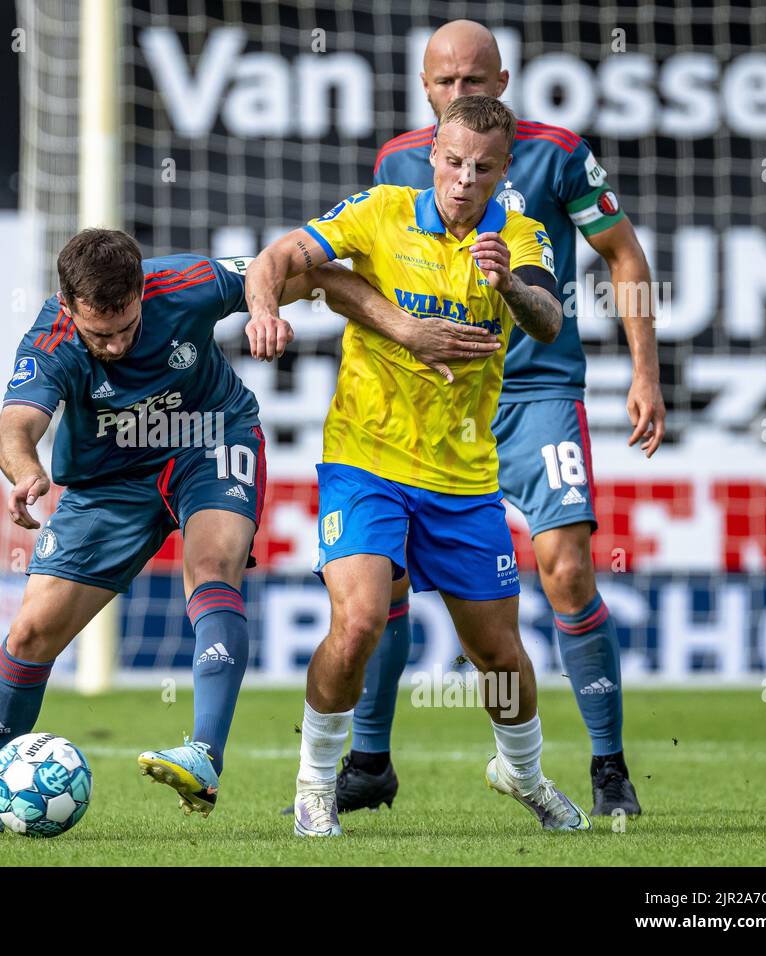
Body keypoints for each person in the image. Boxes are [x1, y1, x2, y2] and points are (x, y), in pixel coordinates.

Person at [0, 228, 479, 835]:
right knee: (33, 631)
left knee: (212, 567)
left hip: (212, 440)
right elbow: (14, 428)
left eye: (127, 326)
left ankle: (203, 752)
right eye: (102, 335)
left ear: (142, 291)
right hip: (109, 479)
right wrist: (25, 473)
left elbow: (311, 275)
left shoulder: (188, 283)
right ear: (70, 308)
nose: (118, 344)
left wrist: (267, 311)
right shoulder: (51, 339)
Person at [339, 18, 663, 818]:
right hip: (431, 401)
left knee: (568, 568)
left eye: (475, 81)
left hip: (537, 394)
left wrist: (645, 372)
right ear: (425, 88)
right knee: (386, 582)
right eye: (446, 83)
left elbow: (623, 255)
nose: (461, 94)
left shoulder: (555, 151)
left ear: (504, 82)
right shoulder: (397, 162)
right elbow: (363, 279)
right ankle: (371, 764)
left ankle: (610, 770)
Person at [247, 94, 592, 837]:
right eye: (454, 161)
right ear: (433, 154)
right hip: (365, 457)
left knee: (498, 651)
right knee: (361, 619)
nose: (465, 179)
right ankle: (314, 785)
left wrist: (509, 287)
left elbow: (550, 319)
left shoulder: (522, 234)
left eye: (484, 168)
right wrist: (264, 310)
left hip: (463, 476)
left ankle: (522, 775)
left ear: (504, 173)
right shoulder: (380, 211)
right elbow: (280, 261)